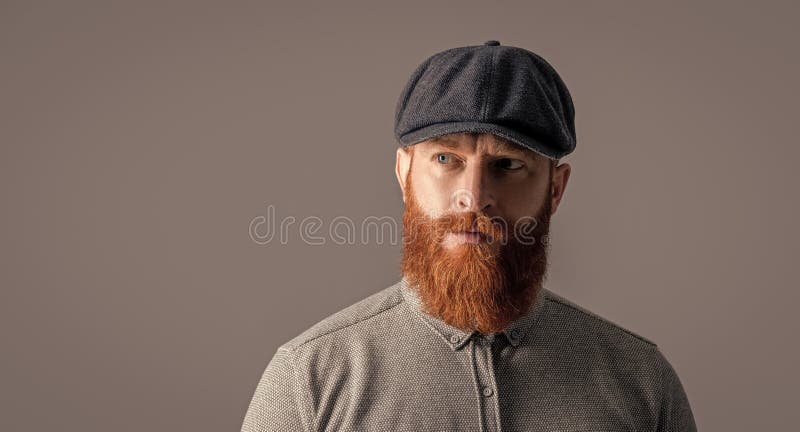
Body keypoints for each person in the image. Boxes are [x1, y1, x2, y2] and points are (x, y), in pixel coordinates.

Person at [241, 40, 697, 432]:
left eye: (507, 165)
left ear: (555, 188)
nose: (474, 197)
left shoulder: (641, 381)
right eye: (446, 160)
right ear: (404, 174)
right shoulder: (308, 380)